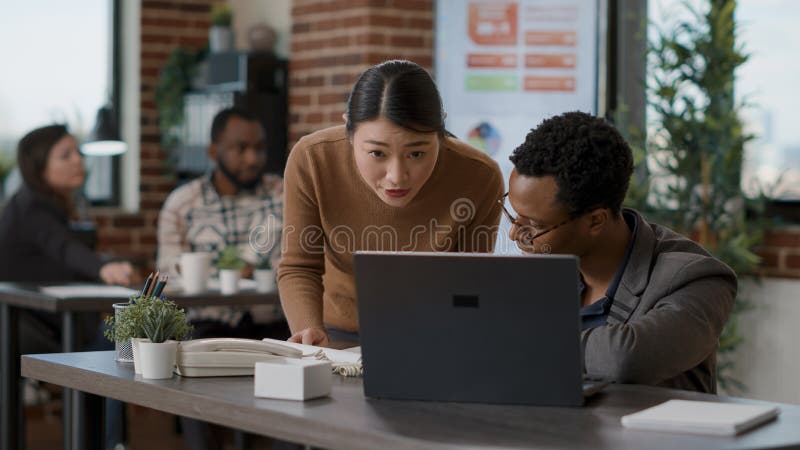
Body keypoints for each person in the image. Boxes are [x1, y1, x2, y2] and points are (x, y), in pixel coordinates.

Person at [503, 111, 736, 393]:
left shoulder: (695, 277)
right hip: (549, 432)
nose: (514, 233)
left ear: (595, 221)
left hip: (651, 436)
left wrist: (513, 343)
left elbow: (625, 358)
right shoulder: (542, 270)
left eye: (535, 225)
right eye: (513, 215)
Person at [279, 60, 504, 347]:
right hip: (334, 338)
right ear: (349, 131)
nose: (397, 177)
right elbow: (300, 266)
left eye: (417, 154)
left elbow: (469, 283)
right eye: (377, 153)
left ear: (440, 133)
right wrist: (308, 329)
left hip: (433, 337)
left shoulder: (478, 176)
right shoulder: (313, 160)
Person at [157, 107, 285, 450]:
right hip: (208, 325)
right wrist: (236, 267)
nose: (253, 158)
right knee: (189, 368)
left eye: (259, 148)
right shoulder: (182, 204)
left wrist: (235, 264)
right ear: (214, 152)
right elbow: (170, 276)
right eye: (240, 148)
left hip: (272, 327)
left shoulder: (282, 193)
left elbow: (289, 263)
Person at [0, 124, 134, 449]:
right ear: (39, 167)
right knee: (117, 344)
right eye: (66, 155)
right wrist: (103, 267)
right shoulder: (32, 207)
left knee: (114, 338)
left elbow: (58, 254)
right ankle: (109, 443)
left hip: (39, 323)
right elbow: (62, 248)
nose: (79, 161)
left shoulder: (41, 204)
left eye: (78, 152)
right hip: (28, 328)